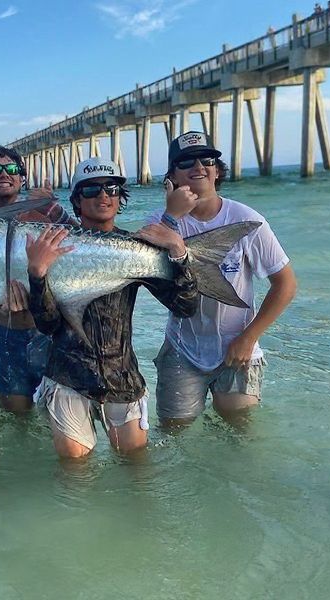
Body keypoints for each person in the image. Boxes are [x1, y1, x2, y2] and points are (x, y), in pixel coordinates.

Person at [24, 157, 199, 459]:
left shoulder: (137, 247)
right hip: (67, 377)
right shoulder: (52, 244)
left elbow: (184, 306)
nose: (103, 196)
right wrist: (37, 275)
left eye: (111, 189)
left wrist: (179, 253)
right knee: (75, 476)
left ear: (120, 198)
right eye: (91, 190)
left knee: (137, 472)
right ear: (77, 201)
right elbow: (48, 324)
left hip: (122, 377)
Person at [147, 131, 297, 428]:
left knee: (240, 431)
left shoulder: (246, 219)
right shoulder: (158, 220)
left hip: (238, 348)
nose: (198, 166)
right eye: (186, 161)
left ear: (217, 170)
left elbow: (286, 284)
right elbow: (151, 276)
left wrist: (249, 338)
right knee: (173, 433)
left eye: (207, 159)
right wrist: (171, 216)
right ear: (172, 176)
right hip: (182, 348)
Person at [0, 145, 75, 415]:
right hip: (4, 336)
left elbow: (84, 243)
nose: (4, 174)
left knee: (57, 422)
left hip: (48, 335)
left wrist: (52, 206)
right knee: (17, 427)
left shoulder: (44, 217)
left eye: (11, 169)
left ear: (22, 177)